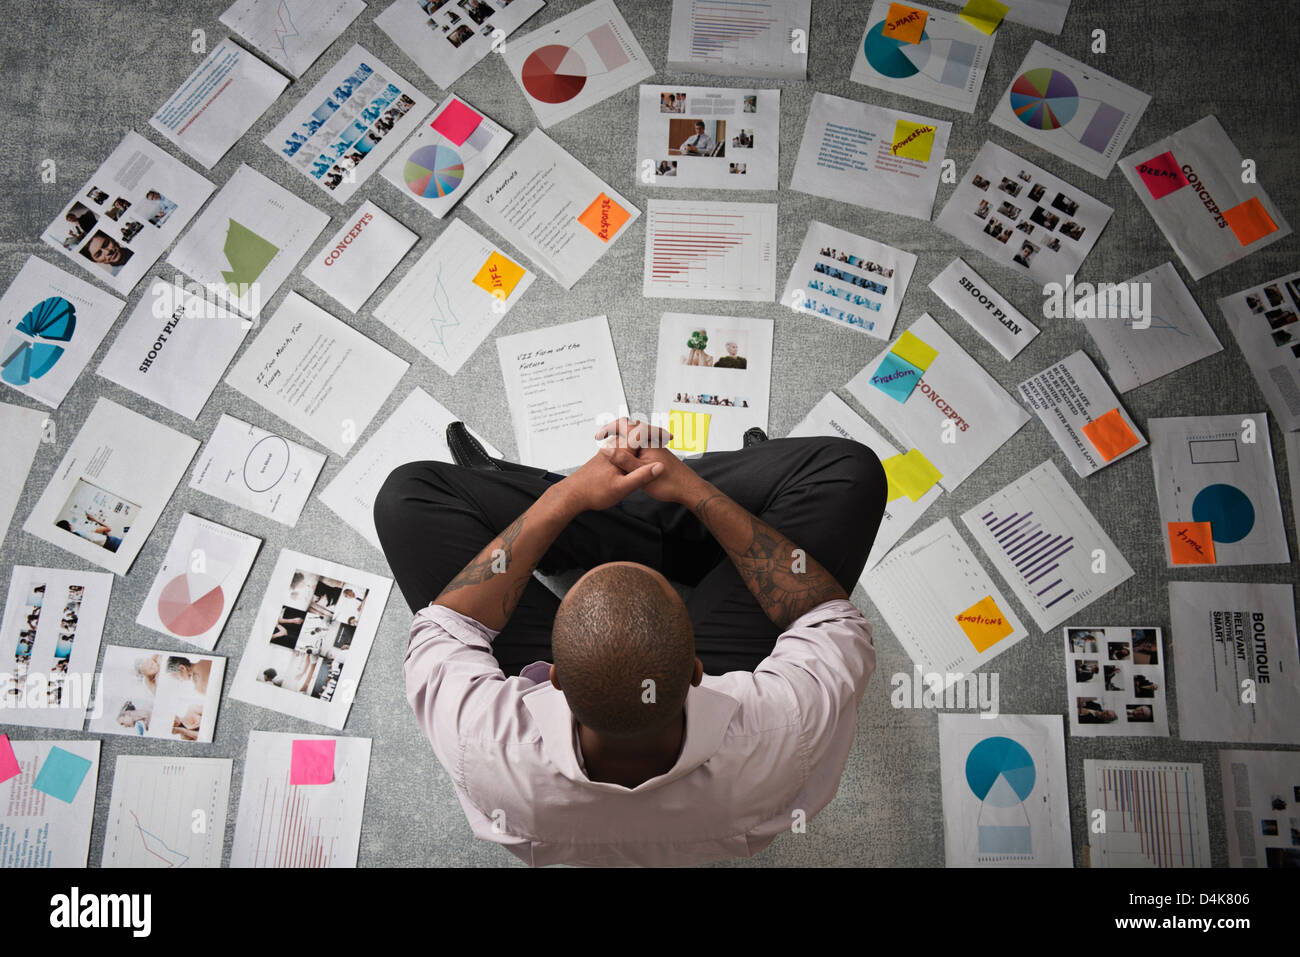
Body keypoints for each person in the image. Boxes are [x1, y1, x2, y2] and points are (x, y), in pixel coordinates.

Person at [377, 416, 886, 866]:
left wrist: (567, 497)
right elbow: (827, 615)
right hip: (731, 668)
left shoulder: (481, 739)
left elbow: (445, 625)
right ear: (694, 668)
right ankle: (693, 520)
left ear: (552, 676)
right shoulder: (783, 726)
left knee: (408, 499)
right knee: (850, 473)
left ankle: (592, 513)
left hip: (572, 677)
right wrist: (692, 489)